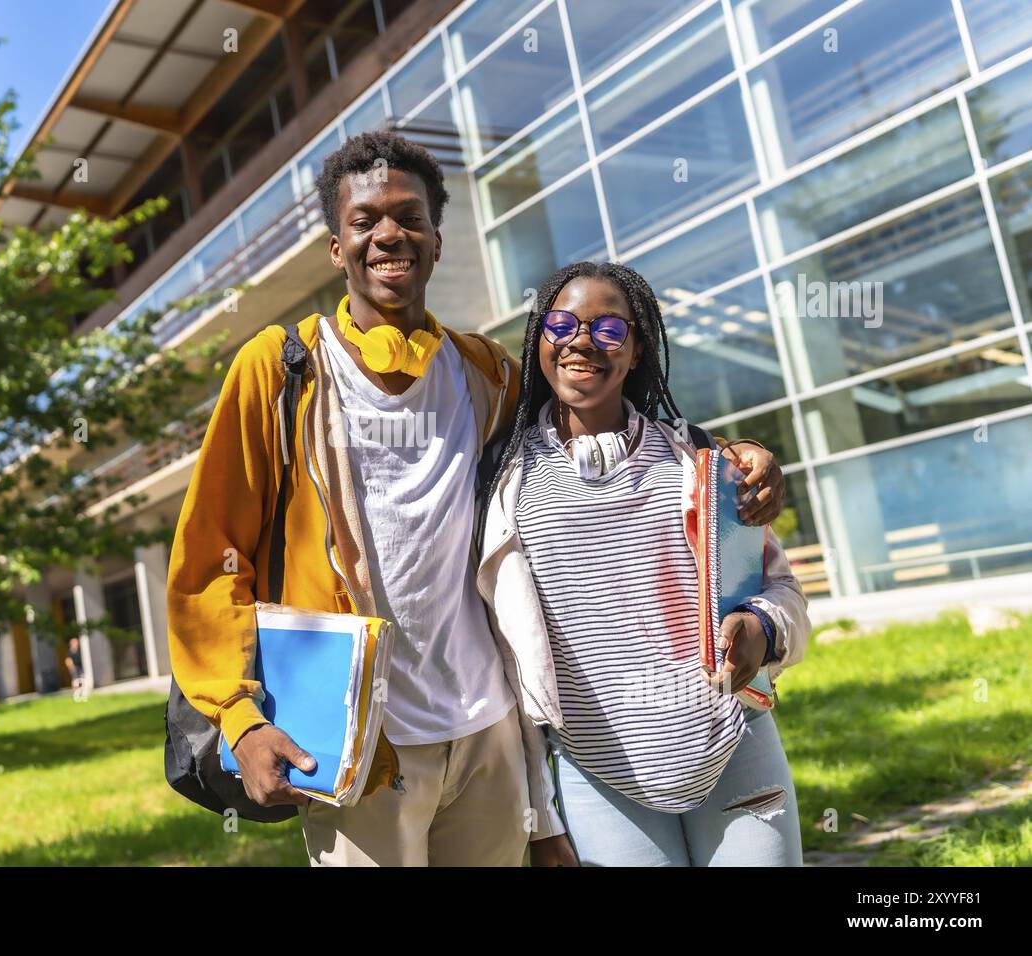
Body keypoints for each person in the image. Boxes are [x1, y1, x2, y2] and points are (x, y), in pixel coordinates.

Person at [166, 132, 788, 866]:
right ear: (336, 248)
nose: (389, 233)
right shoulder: (280, 370)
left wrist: (740, 460)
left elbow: (597, 424)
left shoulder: (486, 373)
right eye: (365, 220)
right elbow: (210, 561)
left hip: (490, 732)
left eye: (409, 217)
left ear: (435, 241)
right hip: (363, 744)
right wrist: (240, 717)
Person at [476, 260, 810, 866]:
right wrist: (539, 815)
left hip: (734, 748)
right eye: (561, 324)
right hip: (599, 777)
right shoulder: (502, 483)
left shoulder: (699, 460)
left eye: (609, 330)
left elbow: (782, 589)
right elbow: (502, 658)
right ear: (538, 339)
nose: (581, 341)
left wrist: (761, 628)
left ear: (635, 352)